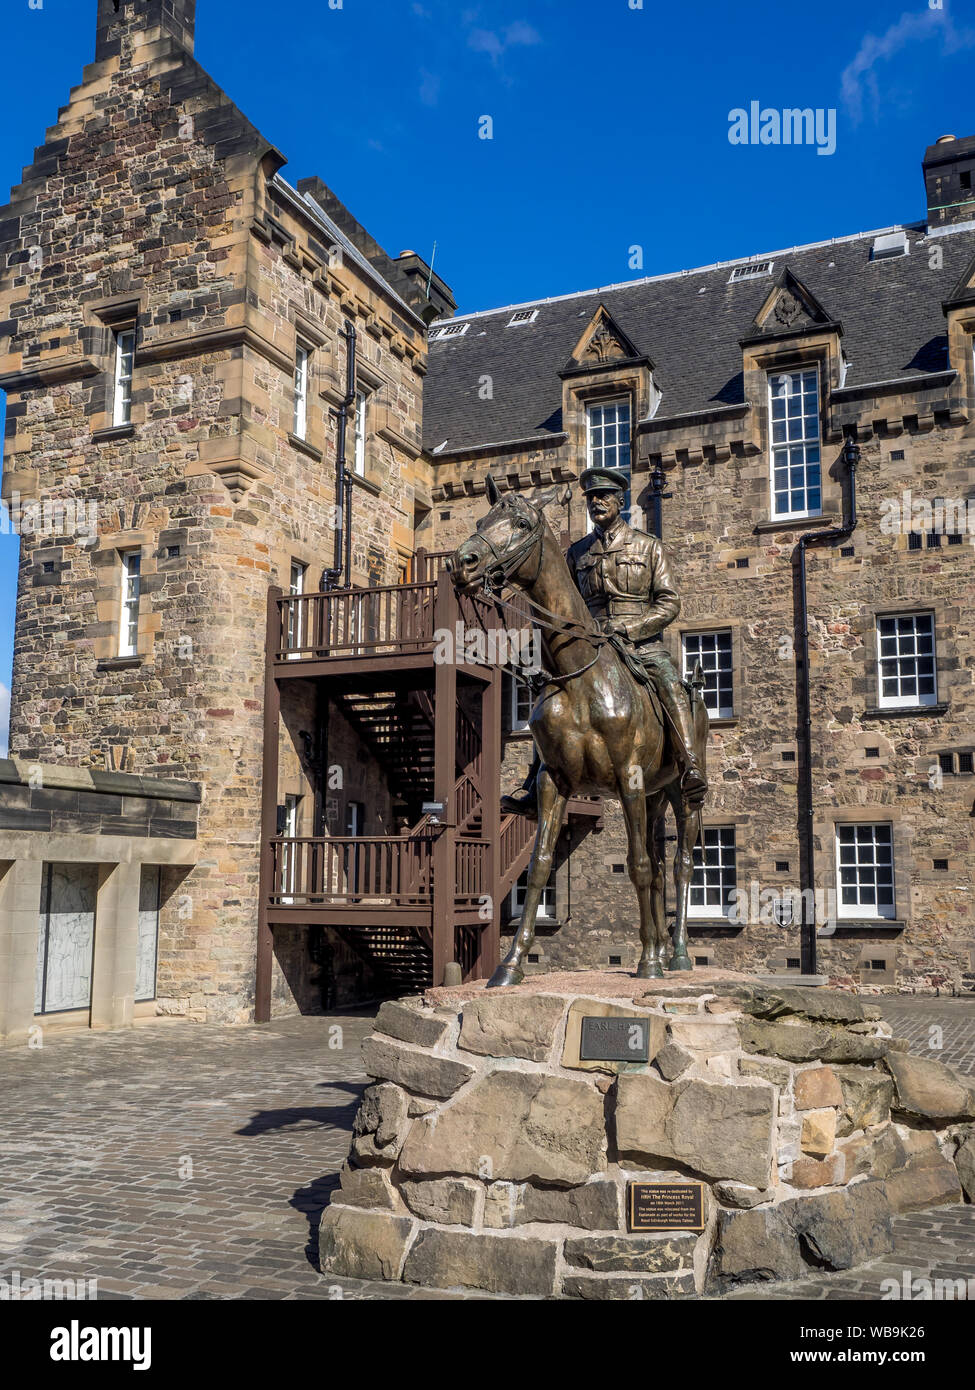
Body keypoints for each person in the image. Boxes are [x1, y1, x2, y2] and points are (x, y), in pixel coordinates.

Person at [501, 466, 707, 815]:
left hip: (640, 645)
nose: (596, 502)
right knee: (549, 699)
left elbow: (669, 603)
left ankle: (690, 765)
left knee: (670, 681)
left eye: (603, 496)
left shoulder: (648, 547)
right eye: (591, 497)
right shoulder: (577, 553)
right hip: (591, 646)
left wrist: (630, 629)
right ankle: (535, 783)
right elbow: (561, 604)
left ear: (619, 501)